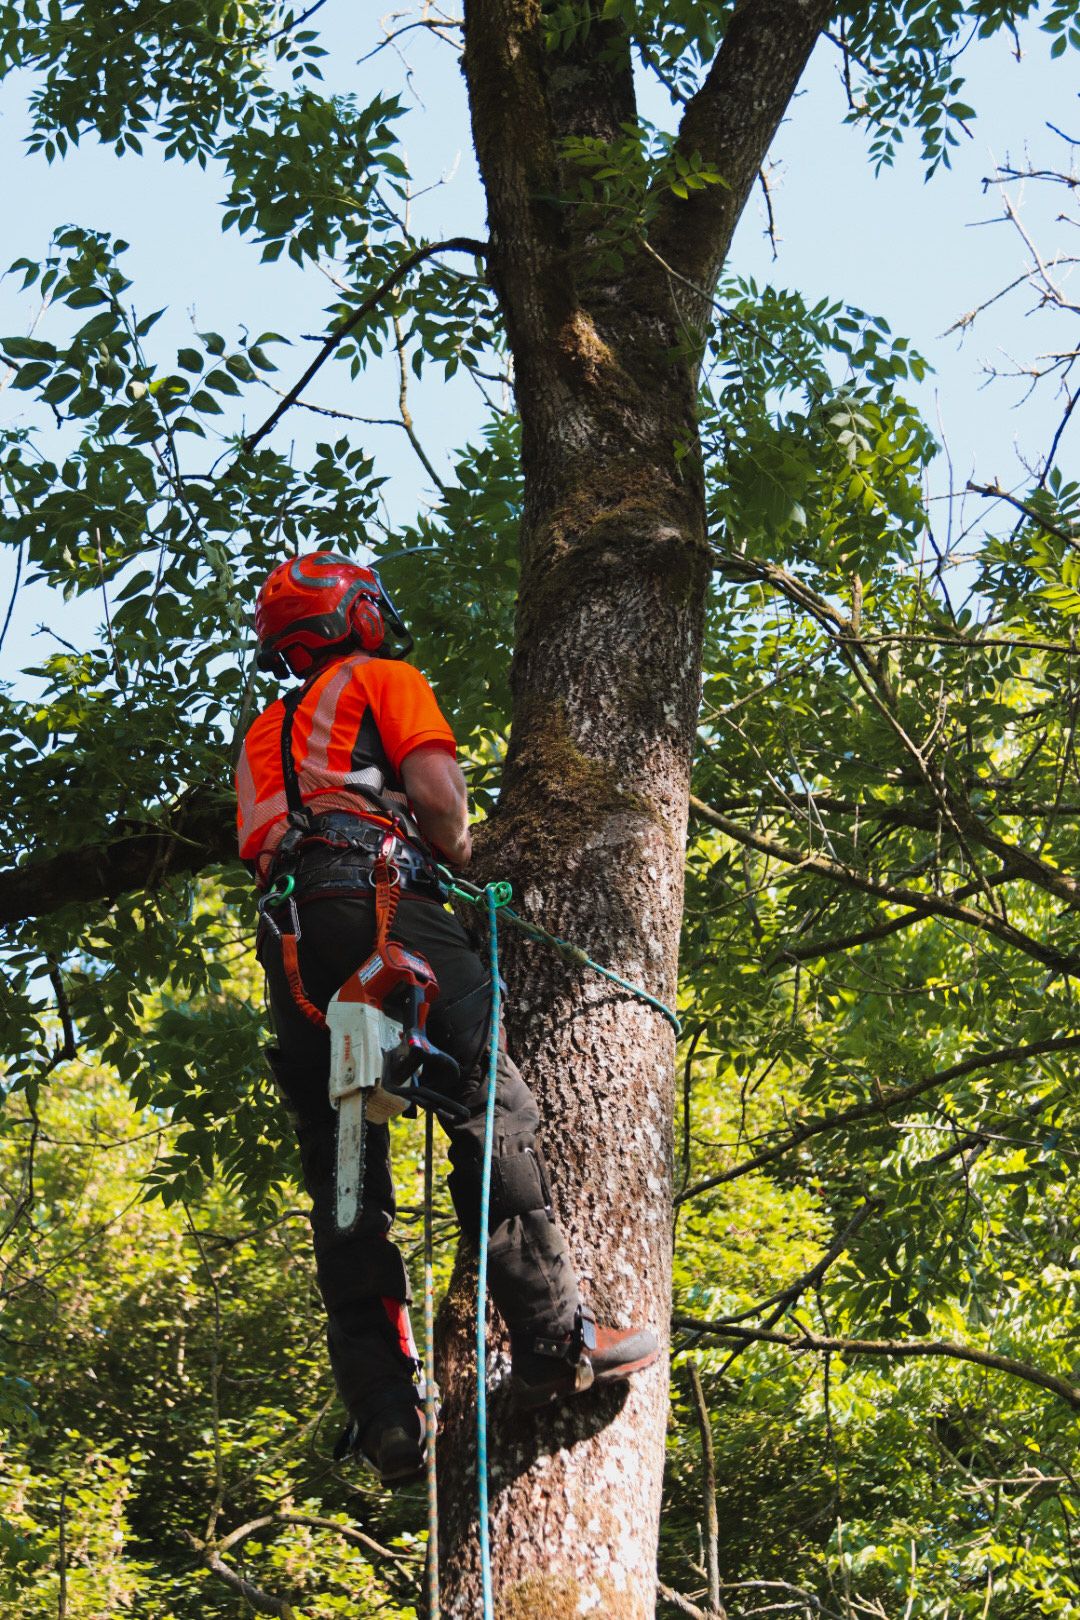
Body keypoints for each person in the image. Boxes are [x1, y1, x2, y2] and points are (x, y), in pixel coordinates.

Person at [236, 552, 658, 1484]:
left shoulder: (264, 733)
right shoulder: (386, 679)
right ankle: (557, 1336)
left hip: (295, 943)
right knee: (485, 1101)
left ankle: (385, 1410)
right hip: (384, 909)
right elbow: (440, 807)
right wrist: (458, 854)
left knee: (346, 1175)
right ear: (357, 615)